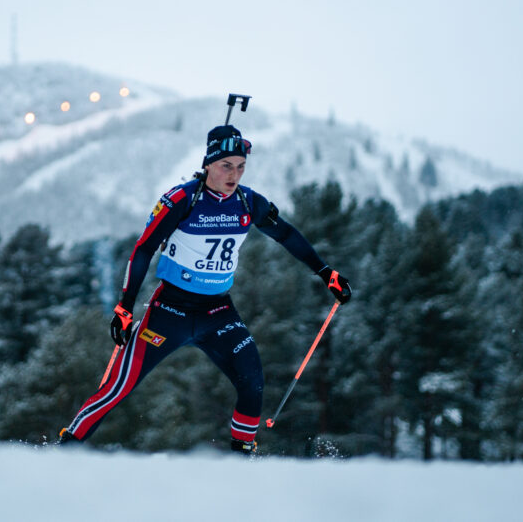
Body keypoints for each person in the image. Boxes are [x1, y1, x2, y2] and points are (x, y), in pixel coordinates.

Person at [58, 124, 351, 454]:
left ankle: (242, 457)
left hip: (218, 313)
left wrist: (326, 273)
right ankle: (65, 449)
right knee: (118, 387)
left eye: (241, 166)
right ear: (208, 163)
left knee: (253, 380)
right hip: (170, 311)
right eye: (226, 165)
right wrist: (125, 308)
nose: (234, 175)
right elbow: (143, 249)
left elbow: (286, 234)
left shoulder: (248, 202)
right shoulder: (182, 199)